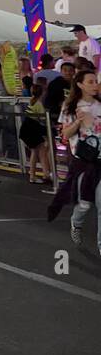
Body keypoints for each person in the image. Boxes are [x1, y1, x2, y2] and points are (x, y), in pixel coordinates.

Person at [52, 70, 101, 249]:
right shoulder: (70, 107)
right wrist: (78, 122)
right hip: (84, 161)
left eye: (96, 81)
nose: (95, 85)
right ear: (80, 84)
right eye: (90, 81)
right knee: (85, 204)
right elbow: (65, 134)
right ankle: (76, 222)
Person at [19, 78, 51, 186]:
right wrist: (46, 135)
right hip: (33, 129)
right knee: (37, 151)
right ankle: (34, 175)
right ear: (43, 93)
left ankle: (43, 173)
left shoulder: (32, 101)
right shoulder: (39, 104)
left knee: (38, 151)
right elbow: (42, 121)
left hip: (27, 128)